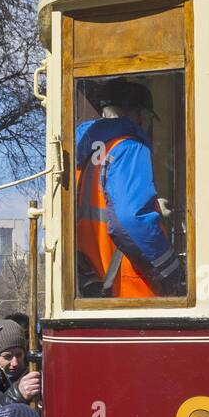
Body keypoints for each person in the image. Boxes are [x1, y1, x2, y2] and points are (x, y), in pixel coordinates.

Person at [75, 77, 181, 298]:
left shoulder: (84, 153)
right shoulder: (129, 147)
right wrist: (171, 272)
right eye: (149, 119)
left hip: (96, 282)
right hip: (131, 289)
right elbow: (131, 220)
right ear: (138, 116)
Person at [0, 320, 29, 406]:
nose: (15, 363)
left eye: (19, 355)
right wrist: (17, 395)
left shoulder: (32, 375)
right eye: (7, 357)